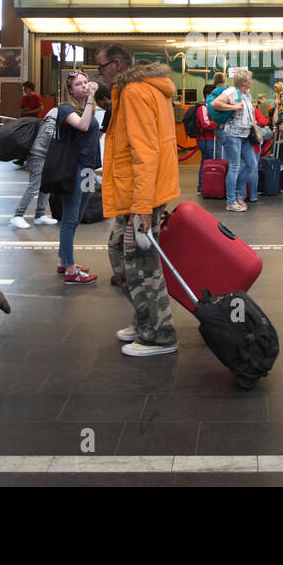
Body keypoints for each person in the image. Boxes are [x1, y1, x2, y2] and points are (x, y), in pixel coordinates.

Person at [94, 43, 180, 356]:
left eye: (101, 66)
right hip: (137, 192)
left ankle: (159, 334)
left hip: (141, 196)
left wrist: (142, 206)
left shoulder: (135, 93)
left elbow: (145, 151)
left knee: (141, 264)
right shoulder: (134, 90)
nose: (98, 73)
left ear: (117, 64)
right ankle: (145, 318)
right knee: (120, 251)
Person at [50, 71, 101, 284]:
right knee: (70, 219)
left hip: (89, 167)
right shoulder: (65, 109)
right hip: (75, 168)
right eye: (78, 84)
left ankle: (64, 260)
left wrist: (90, 102)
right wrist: (90, 98)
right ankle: (71, 270)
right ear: (70, 90)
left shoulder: (86, 107)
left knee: (79, 215)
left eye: (85, 82)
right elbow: (83, 125)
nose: (83, 86)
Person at [211, 68, 259, 212]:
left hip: (244, 135)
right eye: (250, 79)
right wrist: (233, 106)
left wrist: (256, 131)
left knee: (251, 163)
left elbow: (250, 115)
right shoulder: (232, 92)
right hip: (232, 134)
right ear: (245, 82)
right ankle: (231, 201)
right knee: (234, 167)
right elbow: (215, 103)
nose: (251, 81)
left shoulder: (247, 94)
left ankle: (238, 194)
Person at [11, 105, 59, 230]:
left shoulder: (61, 112)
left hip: (46, 155)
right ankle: (18, 215)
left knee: (46, 185)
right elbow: (49, 132)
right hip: (37, 154)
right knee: (34, 186)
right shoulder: (56, 112)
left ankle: (40, 215)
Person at [195, 75, 224, 193]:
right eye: (213, 94)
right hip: (206, 140)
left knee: (206, 162)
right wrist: (217, 123)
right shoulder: (203, 107)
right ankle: (202, 187)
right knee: (207, 162)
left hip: (209, 139)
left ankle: (205, 186)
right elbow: (205, 124)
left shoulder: (208, 106)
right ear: (207, 95)